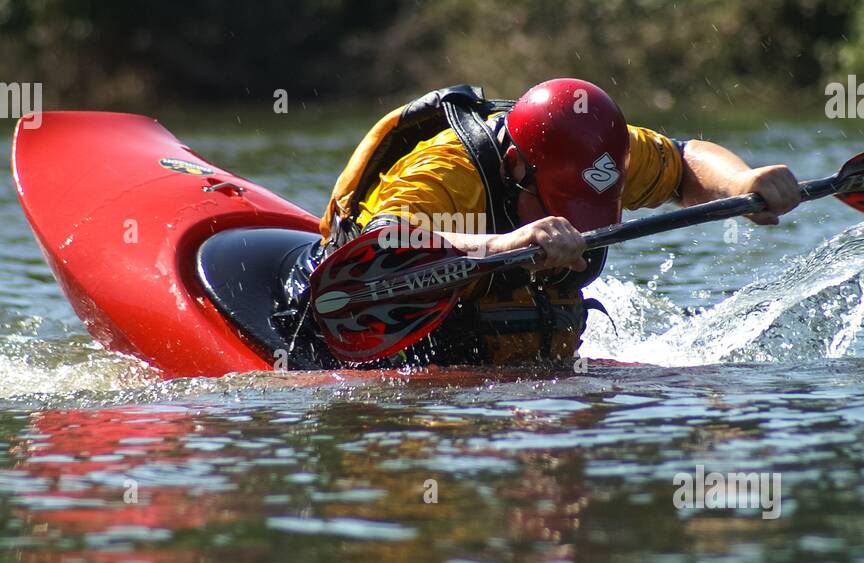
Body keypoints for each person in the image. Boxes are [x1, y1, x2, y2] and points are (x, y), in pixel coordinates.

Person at [290, 79, 801, 366]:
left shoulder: (601, 150)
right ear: (515, 167)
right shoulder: (444, 173)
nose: (575, 226)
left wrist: (741, 182)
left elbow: (685, 160)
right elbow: (391, 241)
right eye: (560, 205)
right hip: (357, 313)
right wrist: (511, 241)